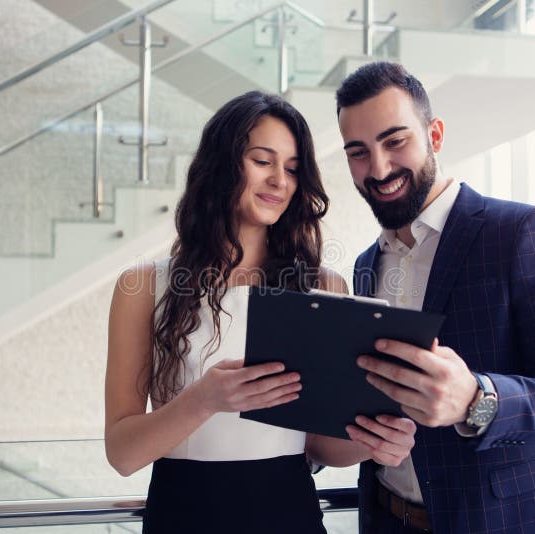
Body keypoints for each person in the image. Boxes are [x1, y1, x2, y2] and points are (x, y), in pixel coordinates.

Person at [105, 90, 416, 534]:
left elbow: (317, 447)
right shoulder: (142, 288)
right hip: (182, 516)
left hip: (290, 515)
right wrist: (204, 400)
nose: (279, 181)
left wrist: (375, 443)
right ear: (222, 164)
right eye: (262, 161)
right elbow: (122, 454)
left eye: (291, 169)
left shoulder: (323, 287)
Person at [335, 62, 535, 534]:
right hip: (387, 518)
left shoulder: (519, 231)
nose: (378, 168)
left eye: (395, 141)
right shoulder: (365, 264)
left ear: (434, 135)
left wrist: (477, 400)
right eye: (359, 152)